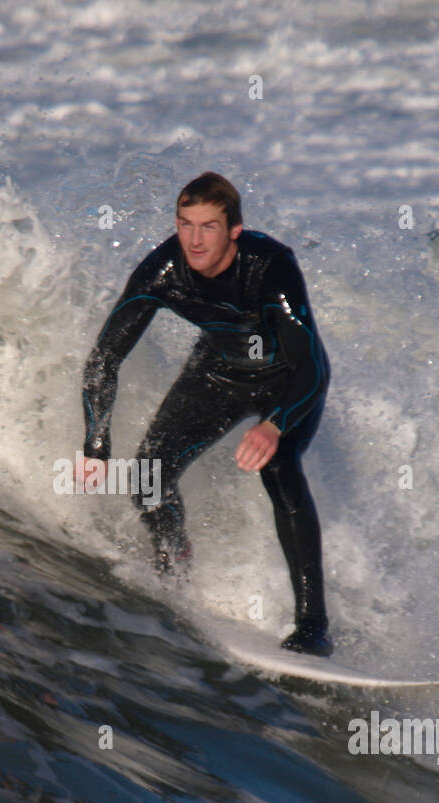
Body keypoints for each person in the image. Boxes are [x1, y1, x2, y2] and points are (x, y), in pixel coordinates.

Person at [78, 171, 333, 656]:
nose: (194, 240)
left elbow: (311, 367)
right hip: (218, 373)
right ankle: (175, 569)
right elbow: (105, 358)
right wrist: (95, 447)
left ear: (234, 229)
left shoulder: (271, 266)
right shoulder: (163, 272)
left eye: (209, 227)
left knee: (280, 469)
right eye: (185, 224)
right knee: (148, 478)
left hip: (287, 380)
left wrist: (274, 424)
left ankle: (313, 628)